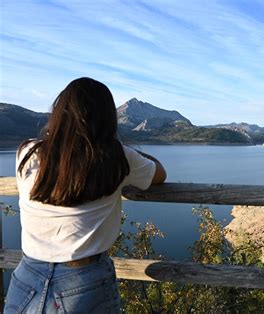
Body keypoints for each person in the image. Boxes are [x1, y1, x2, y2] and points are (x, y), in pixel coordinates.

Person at [5, 77, 166, 313]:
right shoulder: (117, 157)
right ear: (107, 118)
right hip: (83, 280)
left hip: (27, 275)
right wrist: (125, 150)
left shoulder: (28, 152)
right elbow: (160, 174)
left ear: (59, 113)